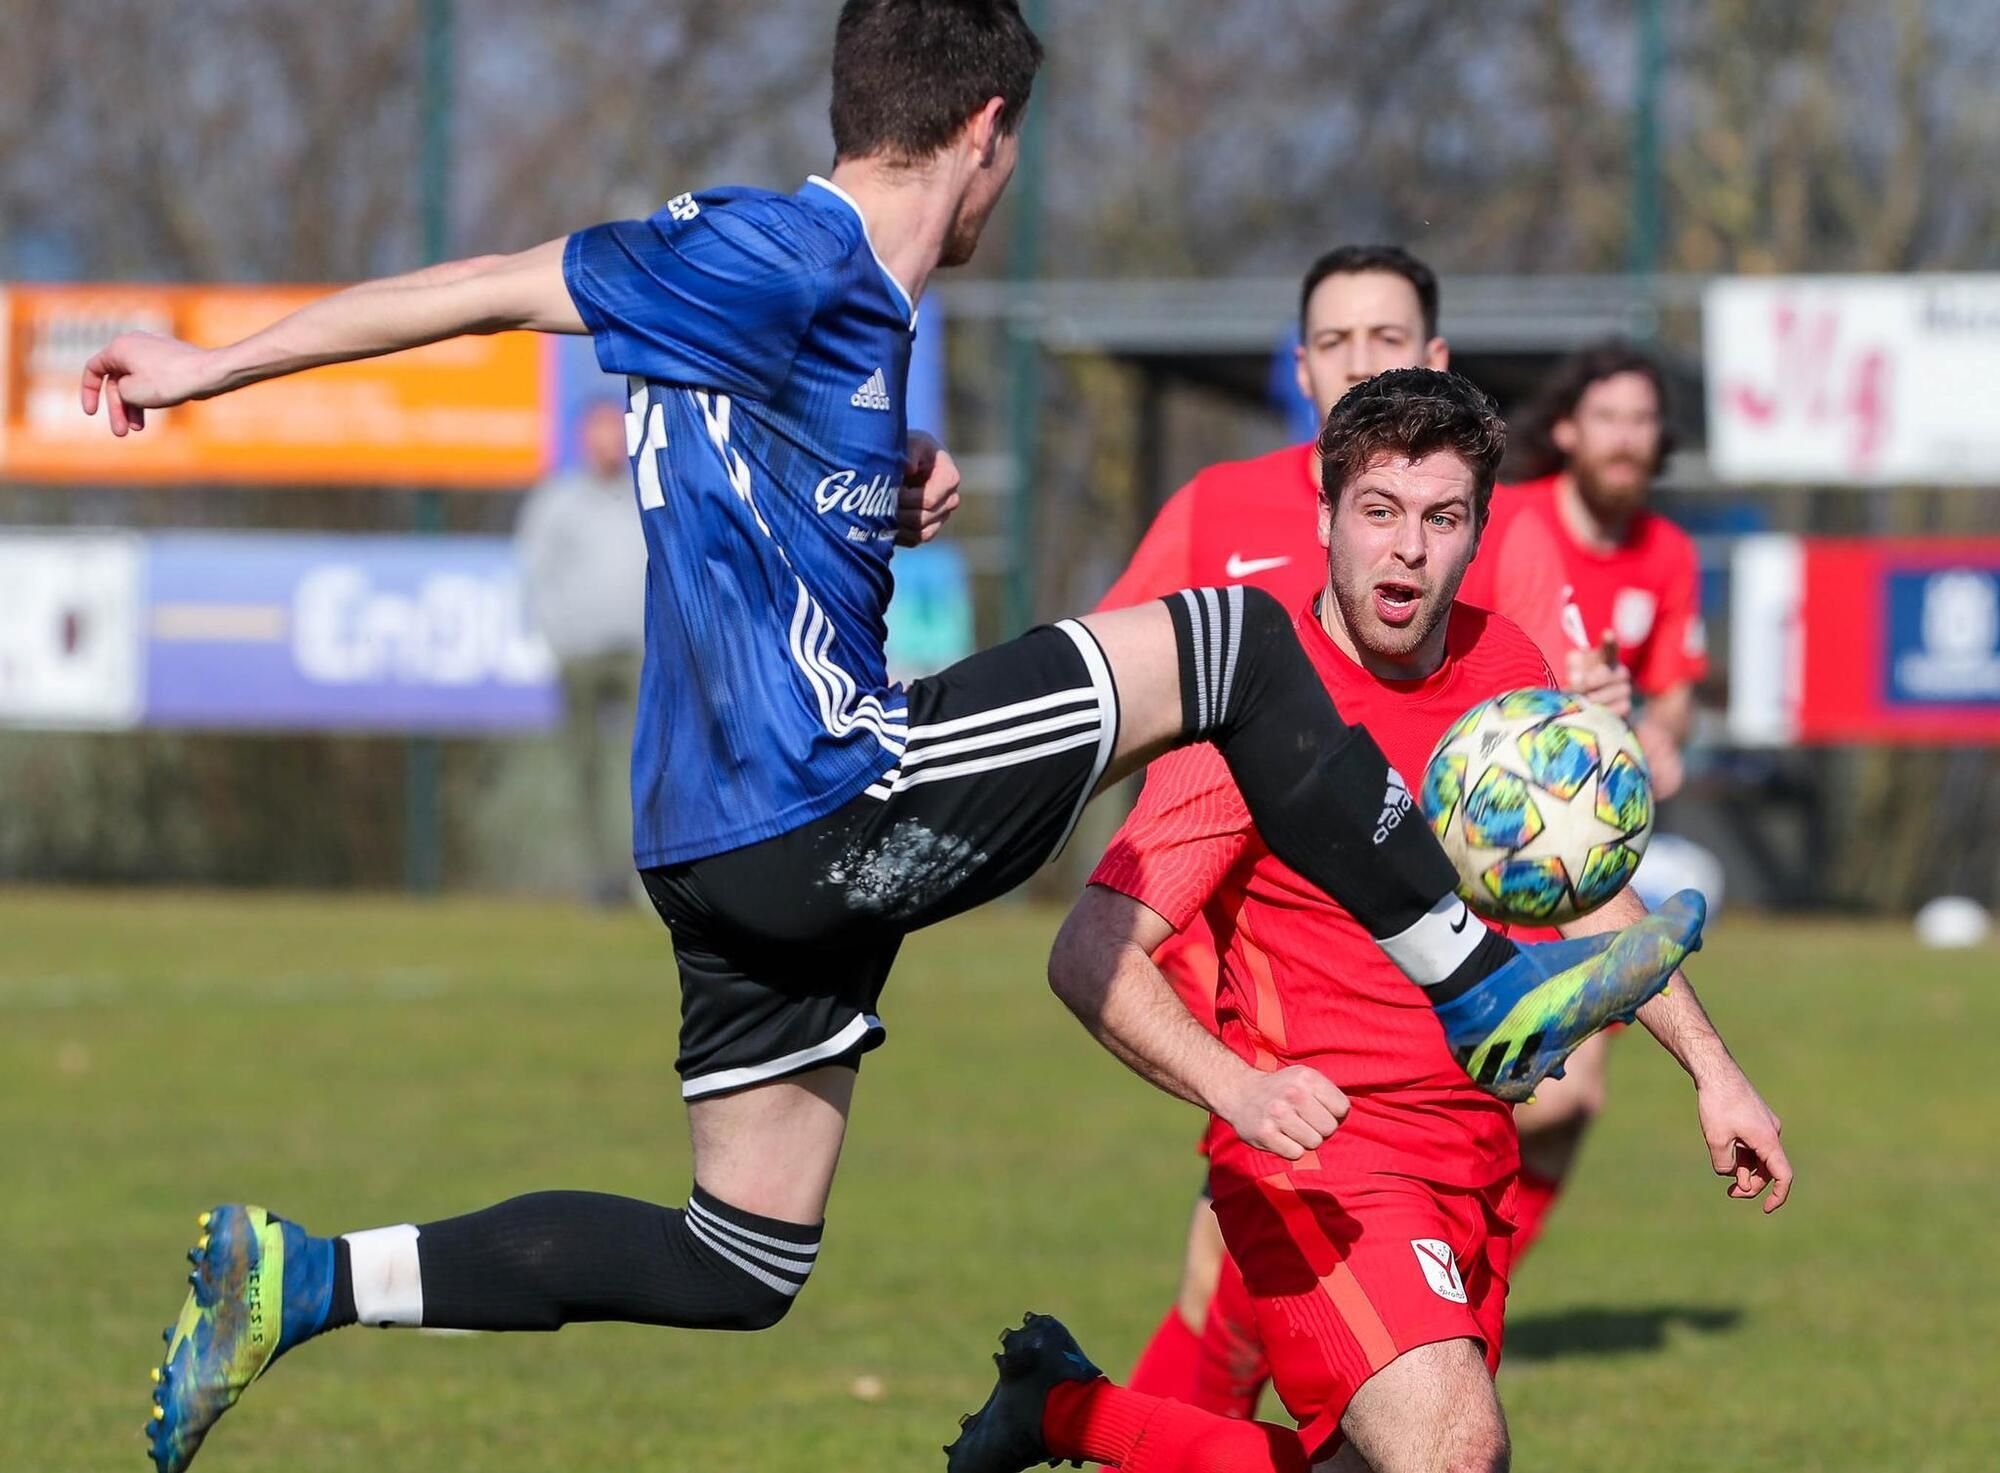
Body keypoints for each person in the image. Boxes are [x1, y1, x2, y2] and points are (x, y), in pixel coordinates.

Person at [82, 9, 1702, 1471]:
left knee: (743, 1255)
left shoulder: (850, 320)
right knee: (1239, 637)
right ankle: (1482, 982)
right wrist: (208, 366)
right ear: (987, 131)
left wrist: (891, 484)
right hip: (817, 791)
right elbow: (500, 285)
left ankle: (300, 1276)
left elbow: (753, 463)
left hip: (719, 852)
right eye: (1018, 153)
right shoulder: (789, 251)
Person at [945, 369, 1791, 1473]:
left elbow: (1592, 893)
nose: (1406, 550)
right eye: (1377, 513)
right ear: (1324, 519)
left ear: (1479, 531)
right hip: (1328, 1164)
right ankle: (1060, 1410)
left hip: (1475, 1149)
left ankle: (1063, 1412)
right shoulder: (1251, 716)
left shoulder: (1507, 675)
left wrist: (1711, 1069)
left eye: (1441, 519)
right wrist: (1237, 1089)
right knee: (1450, 1451)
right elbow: (1090, 948)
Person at [1097, 245, 1454, 1417]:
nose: (1362, 363)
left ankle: (1074, 1414)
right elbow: (1104, 691)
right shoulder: (1217, 509)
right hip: (1233, 938)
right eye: (1336, 342)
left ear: (1432, 359)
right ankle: (1079, 1416)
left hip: (1400, 952)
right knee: (1245, 1264)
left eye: (1386, 340)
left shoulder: (1456, 522)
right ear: (1299, 367)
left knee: (1265, 1300)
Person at [1455, 341, 1709, 1263]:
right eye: (1608, 417)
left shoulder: (1667, 555)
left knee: (1568, 1101)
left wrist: (1659, 727)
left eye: (1642, 420)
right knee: (1541, 1085)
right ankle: (1423, 1244)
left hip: (1574, 850)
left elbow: (1674, 681)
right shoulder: (1504, 521)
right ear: (1566, 428)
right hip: (1480, 834)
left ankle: (1470, 1296)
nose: (1626, 438)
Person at [515, 398, 650, 905]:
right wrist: (556, 639)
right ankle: (600, 881)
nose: (609, 442)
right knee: (585, 768)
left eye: (616, 432)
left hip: (641, 653)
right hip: (581, 655)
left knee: (648, 764)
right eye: (599, 432)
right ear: (582, 439)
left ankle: (649, 876)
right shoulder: (557, 501)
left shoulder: (648, 495)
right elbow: (535, 575)